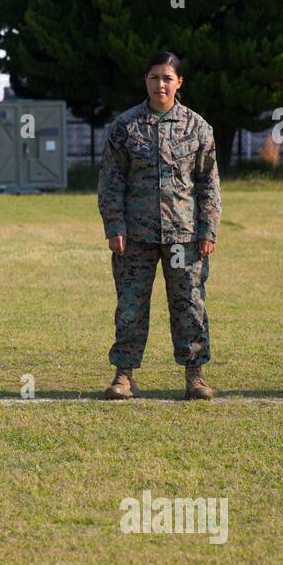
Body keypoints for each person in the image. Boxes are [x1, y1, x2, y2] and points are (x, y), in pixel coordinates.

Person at [97, 52, 220, 400]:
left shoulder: (198, 128)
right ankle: (124, 374)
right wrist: (114, 225)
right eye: (154, 77)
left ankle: (194, 373)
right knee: (131, 305)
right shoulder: (126, 126)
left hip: (183, 238)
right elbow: (111, 179)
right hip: (135, 237)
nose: (160, 84)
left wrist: (208, 229)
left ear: (179, 83)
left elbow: (208, 183)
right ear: (145, 81)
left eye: (168, 78)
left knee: (188, 304)